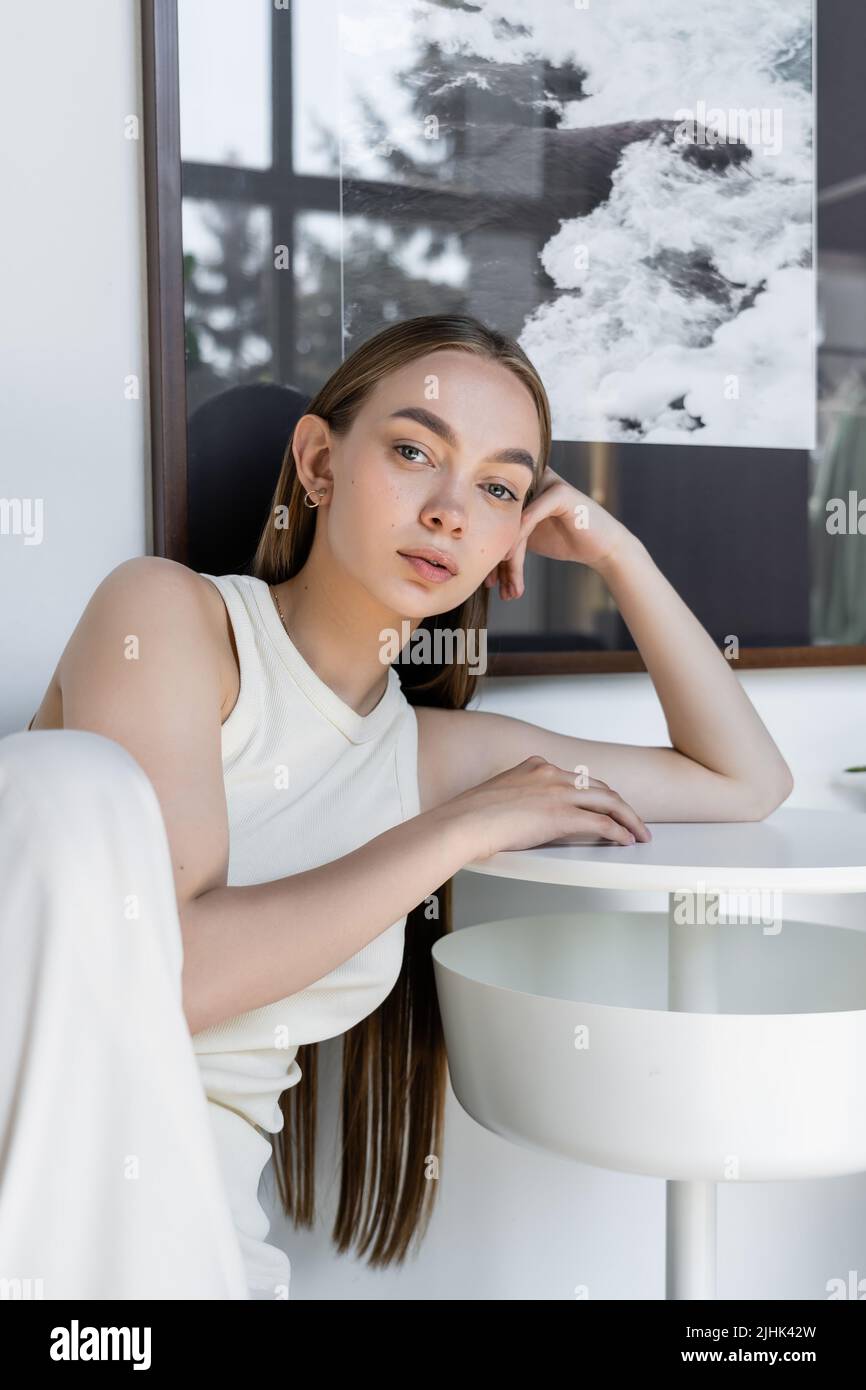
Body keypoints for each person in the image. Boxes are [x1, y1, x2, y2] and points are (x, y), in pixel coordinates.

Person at [1, 313, 793, 1300]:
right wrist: (459, 829)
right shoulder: (166, 618)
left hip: (198, 1241)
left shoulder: (428, 756)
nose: (451, 511)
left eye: (499, 488)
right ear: (319, 465)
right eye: (415, 450)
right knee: (62, 784)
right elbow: (171, 972)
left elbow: (742, 780)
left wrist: (614, 552)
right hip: (44, 1187)